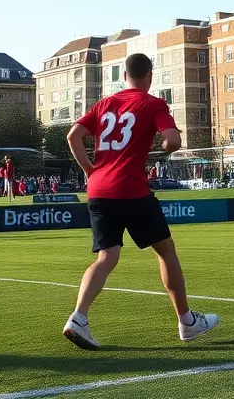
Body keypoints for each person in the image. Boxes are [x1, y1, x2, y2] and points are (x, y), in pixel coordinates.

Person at [62, 52, 218, 350]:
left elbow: (73, 135)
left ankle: (78, 317)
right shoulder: (153, 103)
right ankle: (187, 322)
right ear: (150, 75)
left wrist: (89, 171)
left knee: (106, 257)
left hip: (98, 190)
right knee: (165, 251)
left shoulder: (104, 103)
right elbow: (173, 140)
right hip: (131, 189)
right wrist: (166, 144)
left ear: (124, 76)